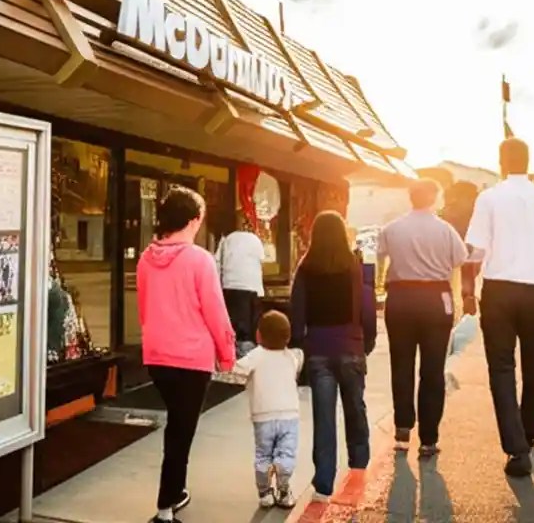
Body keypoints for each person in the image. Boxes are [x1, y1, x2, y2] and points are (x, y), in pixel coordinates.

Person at [463, 138, 534, 478]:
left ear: (501, 161)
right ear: (528, 159)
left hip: (499, 292)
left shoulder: (489, 198)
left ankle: (516, 448)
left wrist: (467, 283)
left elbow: (475, 251)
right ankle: (529, 431)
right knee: (533, 362)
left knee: (502, 369)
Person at [137, 186, 236, 523]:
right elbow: (215, 312)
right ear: (193, 220)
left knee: (177, 426)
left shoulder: (145, 259)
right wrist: (227, 353)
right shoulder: (200, 260)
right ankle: (165, 508)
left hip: (156, 357)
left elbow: (144, 309)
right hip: (191, 360)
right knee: (181, 431)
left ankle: (175, 493)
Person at [290, 210, 377, 501]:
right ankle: (359, 466)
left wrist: (300, 345)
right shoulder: (355, 266)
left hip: (319, 352)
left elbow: (297, 312)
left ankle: (324, 483)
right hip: (351, 348)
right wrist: (367, 341)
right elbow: (367, 307)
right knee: (355, 409)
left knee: (324, 418)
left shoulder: (306, 267)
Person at [377, 179, 468, 457]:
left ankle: (403, 430)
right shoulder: (445, 229)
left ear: (411, 198)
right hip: (435, 301)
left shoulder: (391, 229)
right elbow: (460, 260)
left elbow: (380, 261)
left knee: (401, 365)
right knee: (432, 369)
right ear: (434, 197)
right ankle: (429, 438)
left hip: (401, 298)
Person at [233, 310, 304, 509]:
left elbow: (237, 371)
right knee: (286, 452)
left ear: (258, 335)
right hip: (289, 415)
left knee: (263, 454)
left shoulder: (256, 355)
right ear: (288, 337)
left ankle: (265, 493)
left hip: (263, 416)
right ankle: (284, 490)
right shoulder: (292, 356)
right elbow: (300, 361)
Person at [215, 212, 266, 357]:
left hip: (230, 286)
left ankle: (233, 354)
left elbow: (217, 263)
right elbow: (262, 259)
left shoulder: (227, 240)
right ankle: (248, 354)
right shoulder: (255, 240)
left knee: (234, 325)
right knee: (251, 327)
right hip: (252, 287)